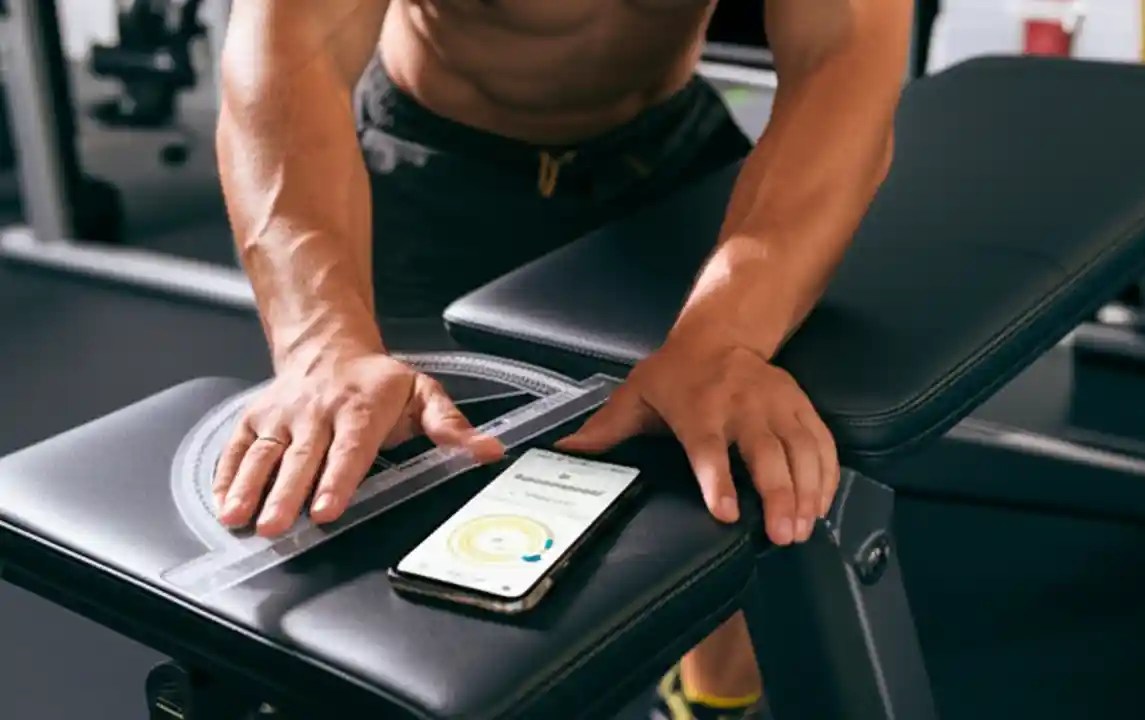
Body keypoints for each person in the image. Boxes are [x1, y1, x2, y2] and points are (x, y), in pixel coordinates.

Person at [211, 1, 911, 717]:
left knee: (730, 471)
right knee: (382, 502)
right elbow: (291, 46)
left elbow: (844, 56)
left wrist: (727, 336)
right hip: (438, 169)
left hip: (666, 156)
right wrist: (323, 344)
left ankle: (712, 703)